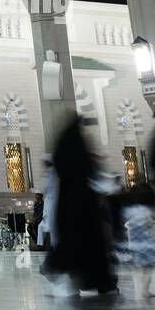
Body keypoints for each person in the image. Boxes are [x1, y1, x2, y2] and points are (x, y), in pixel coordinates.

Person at [44, 115, 117, 295]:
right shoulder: (81, 153)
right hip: (84, 203)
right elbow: (94, 174)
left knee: (73, 240)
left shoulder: (63, 155)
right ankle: (98, 280)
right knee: (90, 242)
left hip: (66, 204)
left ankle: (63, 268)